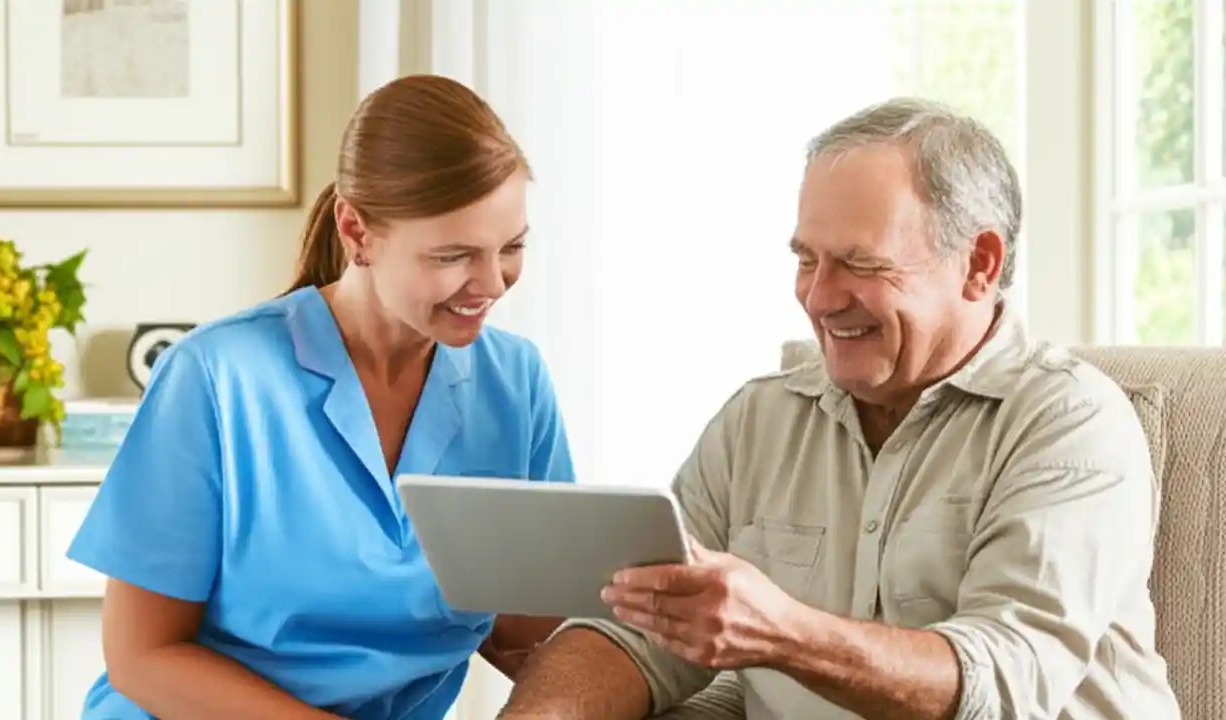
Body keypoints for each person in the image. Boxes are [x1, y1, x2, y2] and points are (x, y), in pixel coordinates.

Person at [499, 97, 1181, 719]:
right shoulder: (758, 422)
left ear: (978, 263)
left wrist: (782, 633)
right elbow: (636, 632)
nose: (820, 298)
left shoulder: (1072, 426)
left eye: (862, 263)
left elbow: (1002, 685)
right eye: (807, 260)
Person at [66, 74, 575, 719]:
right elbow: (143, 656)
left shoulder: (515, 382)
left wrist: (646, 623)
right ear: (356, 231)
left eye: (511, 247)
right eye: (453, 256)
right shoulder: (215, 377)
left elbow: (524, 633)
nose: (492, 283)